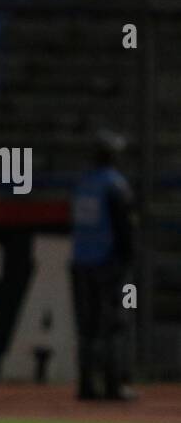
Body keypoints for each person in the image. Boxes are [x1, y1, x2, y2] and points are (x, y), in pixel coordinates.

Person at [71, 130, 136, 401]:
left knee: (88, 326)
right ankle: (113, 383)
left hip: (81, 263)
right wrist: (127, 259)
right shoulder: (115, 185)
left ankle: (86, 383)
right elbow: (124, 228)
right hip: (108, 264)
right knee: (114, 324)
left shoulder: (84, 183)